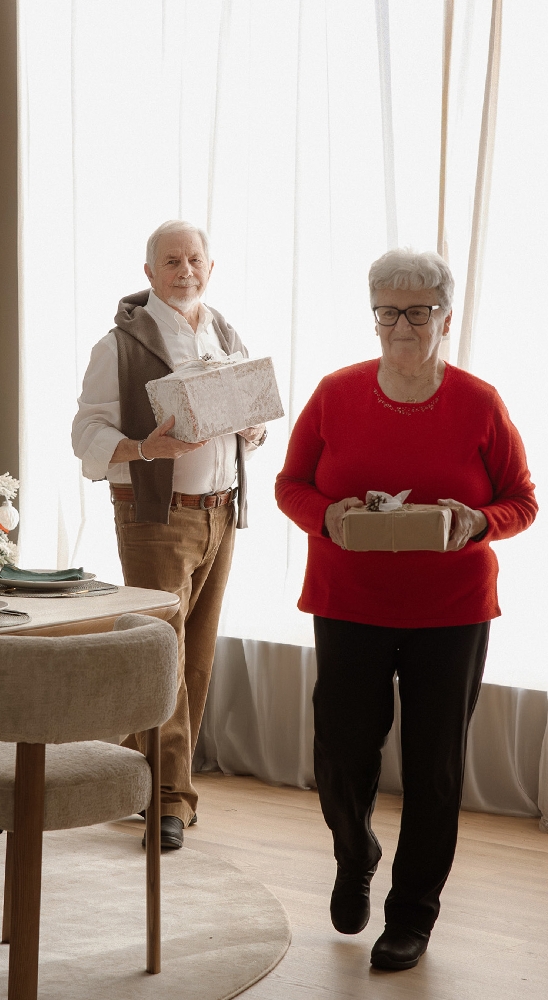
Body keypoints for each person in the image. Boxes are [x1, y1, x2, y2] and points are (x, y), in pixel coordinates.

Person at [275, 248, 537, 970]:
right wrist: (331, 518)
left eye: (417, 311)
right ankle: (355, 849)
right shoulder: (336, 393)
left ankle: (412, 915)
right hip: (348, 601)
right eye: (387, 310)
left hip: (451, 612)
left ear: (445, 318)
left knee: (435, 769)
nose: (400, 324)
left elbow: (521, 500)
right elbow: (291, 485)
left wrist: (477, 521)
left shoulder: (478, 403)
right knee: (341, 755)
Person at [72, 219, 266, 850]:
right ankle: (167, 798)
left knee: (197, 655)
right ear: (149, 271)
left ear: (211, 267)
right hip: (157, 514)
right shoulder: (119, 345)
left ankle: (140, 772)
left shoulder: (224, 333)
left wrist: (252, 431)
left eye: (195, 260)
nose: (185, 271)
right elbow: (86, 434)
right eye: (172, 261)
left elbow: (238, 416)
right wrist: (144, 448)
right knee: (168, 654)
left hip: (220, 510)